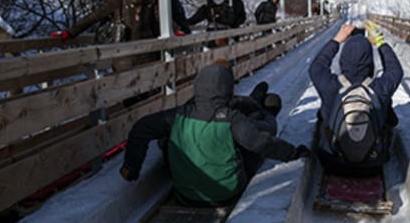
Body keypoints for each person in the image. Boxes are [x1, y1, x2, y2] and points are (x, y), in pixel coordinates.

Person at [120, 62, 309, 206]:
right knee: (248, 140)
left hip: (186, 195)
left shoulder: (178, 114)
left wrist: (131, 167)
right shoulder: (230, 118)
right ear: (227, 89)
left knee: (171, 139)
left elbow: (140, 128)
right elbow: (260, 143)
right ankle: (262, 106)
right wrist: (293, 153)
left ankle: (256, 102)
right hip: (226, 194)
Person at [309, 21, 403, 175]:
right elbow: (395, 70)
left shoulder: (331, 85)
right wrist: (380, 42)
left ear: (343, 58)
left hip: (333, 162)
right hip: (373, 164)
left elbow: (316, 67)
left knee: (322, 114)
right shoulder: (378, 88)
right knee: (386, 107)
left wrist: (337, 40)